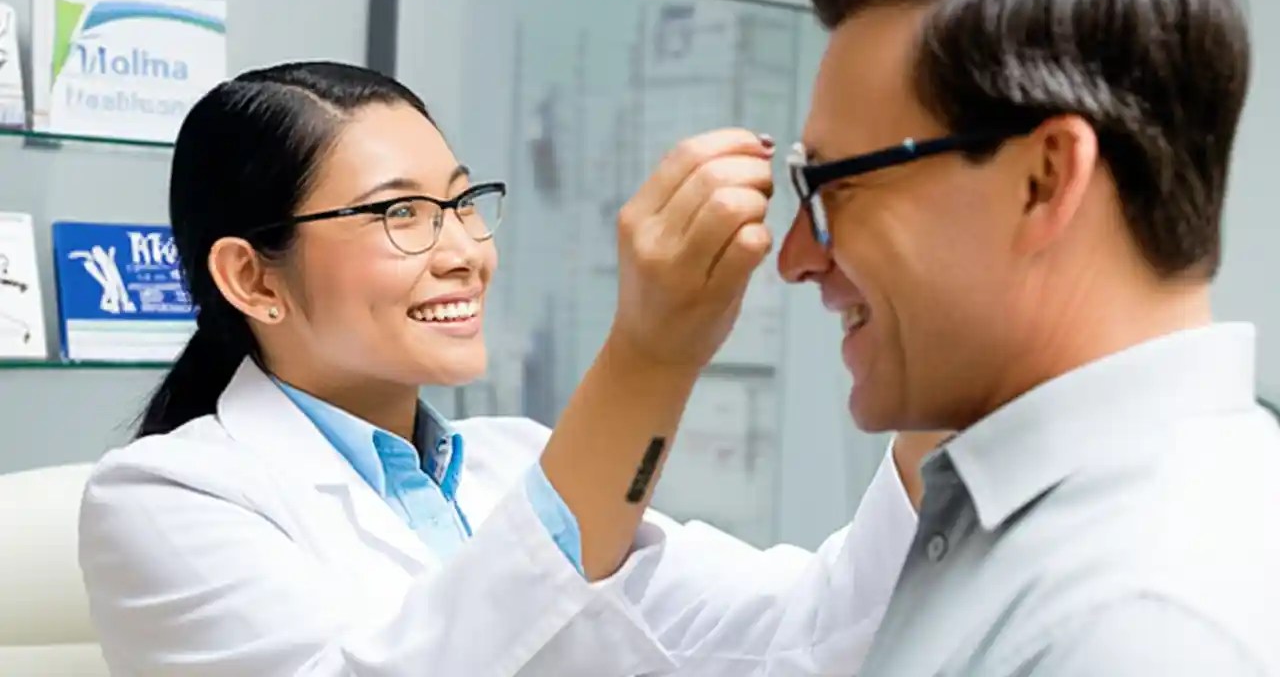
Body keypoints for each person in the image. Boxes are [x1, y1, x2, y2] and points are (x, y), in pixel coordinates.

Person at [77, 61, 934, 676]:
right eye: (399, 213)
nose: (462, 251)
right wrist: (650, 354)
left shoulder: (515, 462)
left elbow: (803, 630)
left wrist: (946, 357)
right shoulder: (163, 499)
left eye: (459, 202)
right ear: (253, 278)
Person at [779, 0, 1280, 674]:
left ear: (1044, 180)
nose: (797, 257)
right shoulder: (1057, 543)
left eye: (838, 186)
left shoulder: (1141, 631)